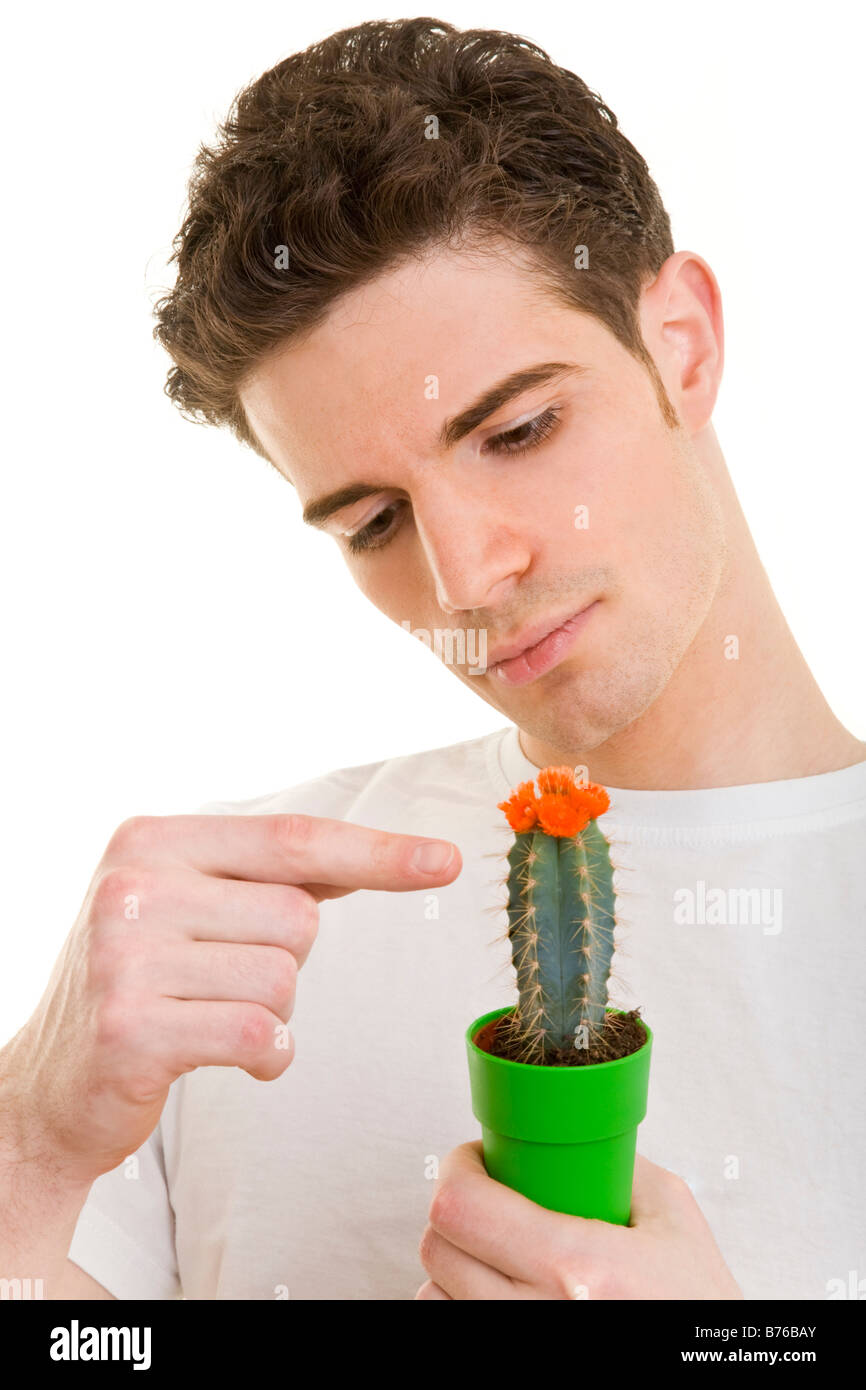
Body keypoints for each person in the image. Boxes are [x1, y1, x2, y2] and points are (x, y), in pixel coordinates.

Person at [2, 17, 864, 1302]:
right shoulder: (225, 949)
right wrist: (27, 1139)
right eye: (372, 520)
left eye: (516, 429)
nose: (463, 579)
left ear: (678, 344)